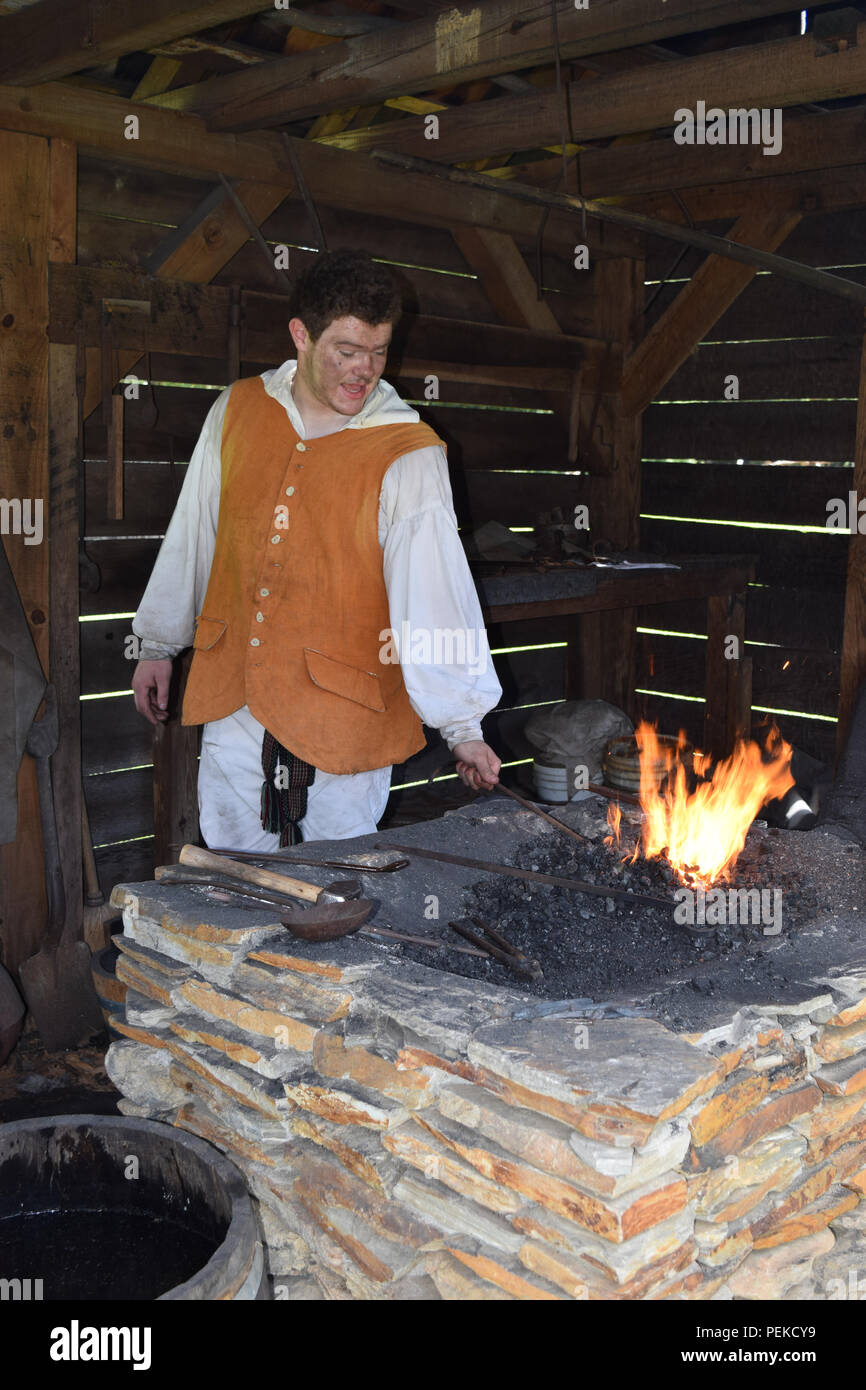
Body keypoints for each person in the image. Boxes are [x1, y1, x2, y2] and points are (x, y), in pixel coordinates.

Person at [131, 249, 502, 849]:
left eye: (379, 352)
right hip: (237, 695)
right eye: (347, 351)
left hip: (349, 707)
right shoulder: (236, 410)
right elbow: (195, 536)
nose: (365, 370)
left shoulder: (407, 448)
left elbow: (434, 590)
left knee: (340, 880)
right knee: (233, 871)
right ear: (301, 336)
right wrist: (157, 643)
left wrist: (462, 724)